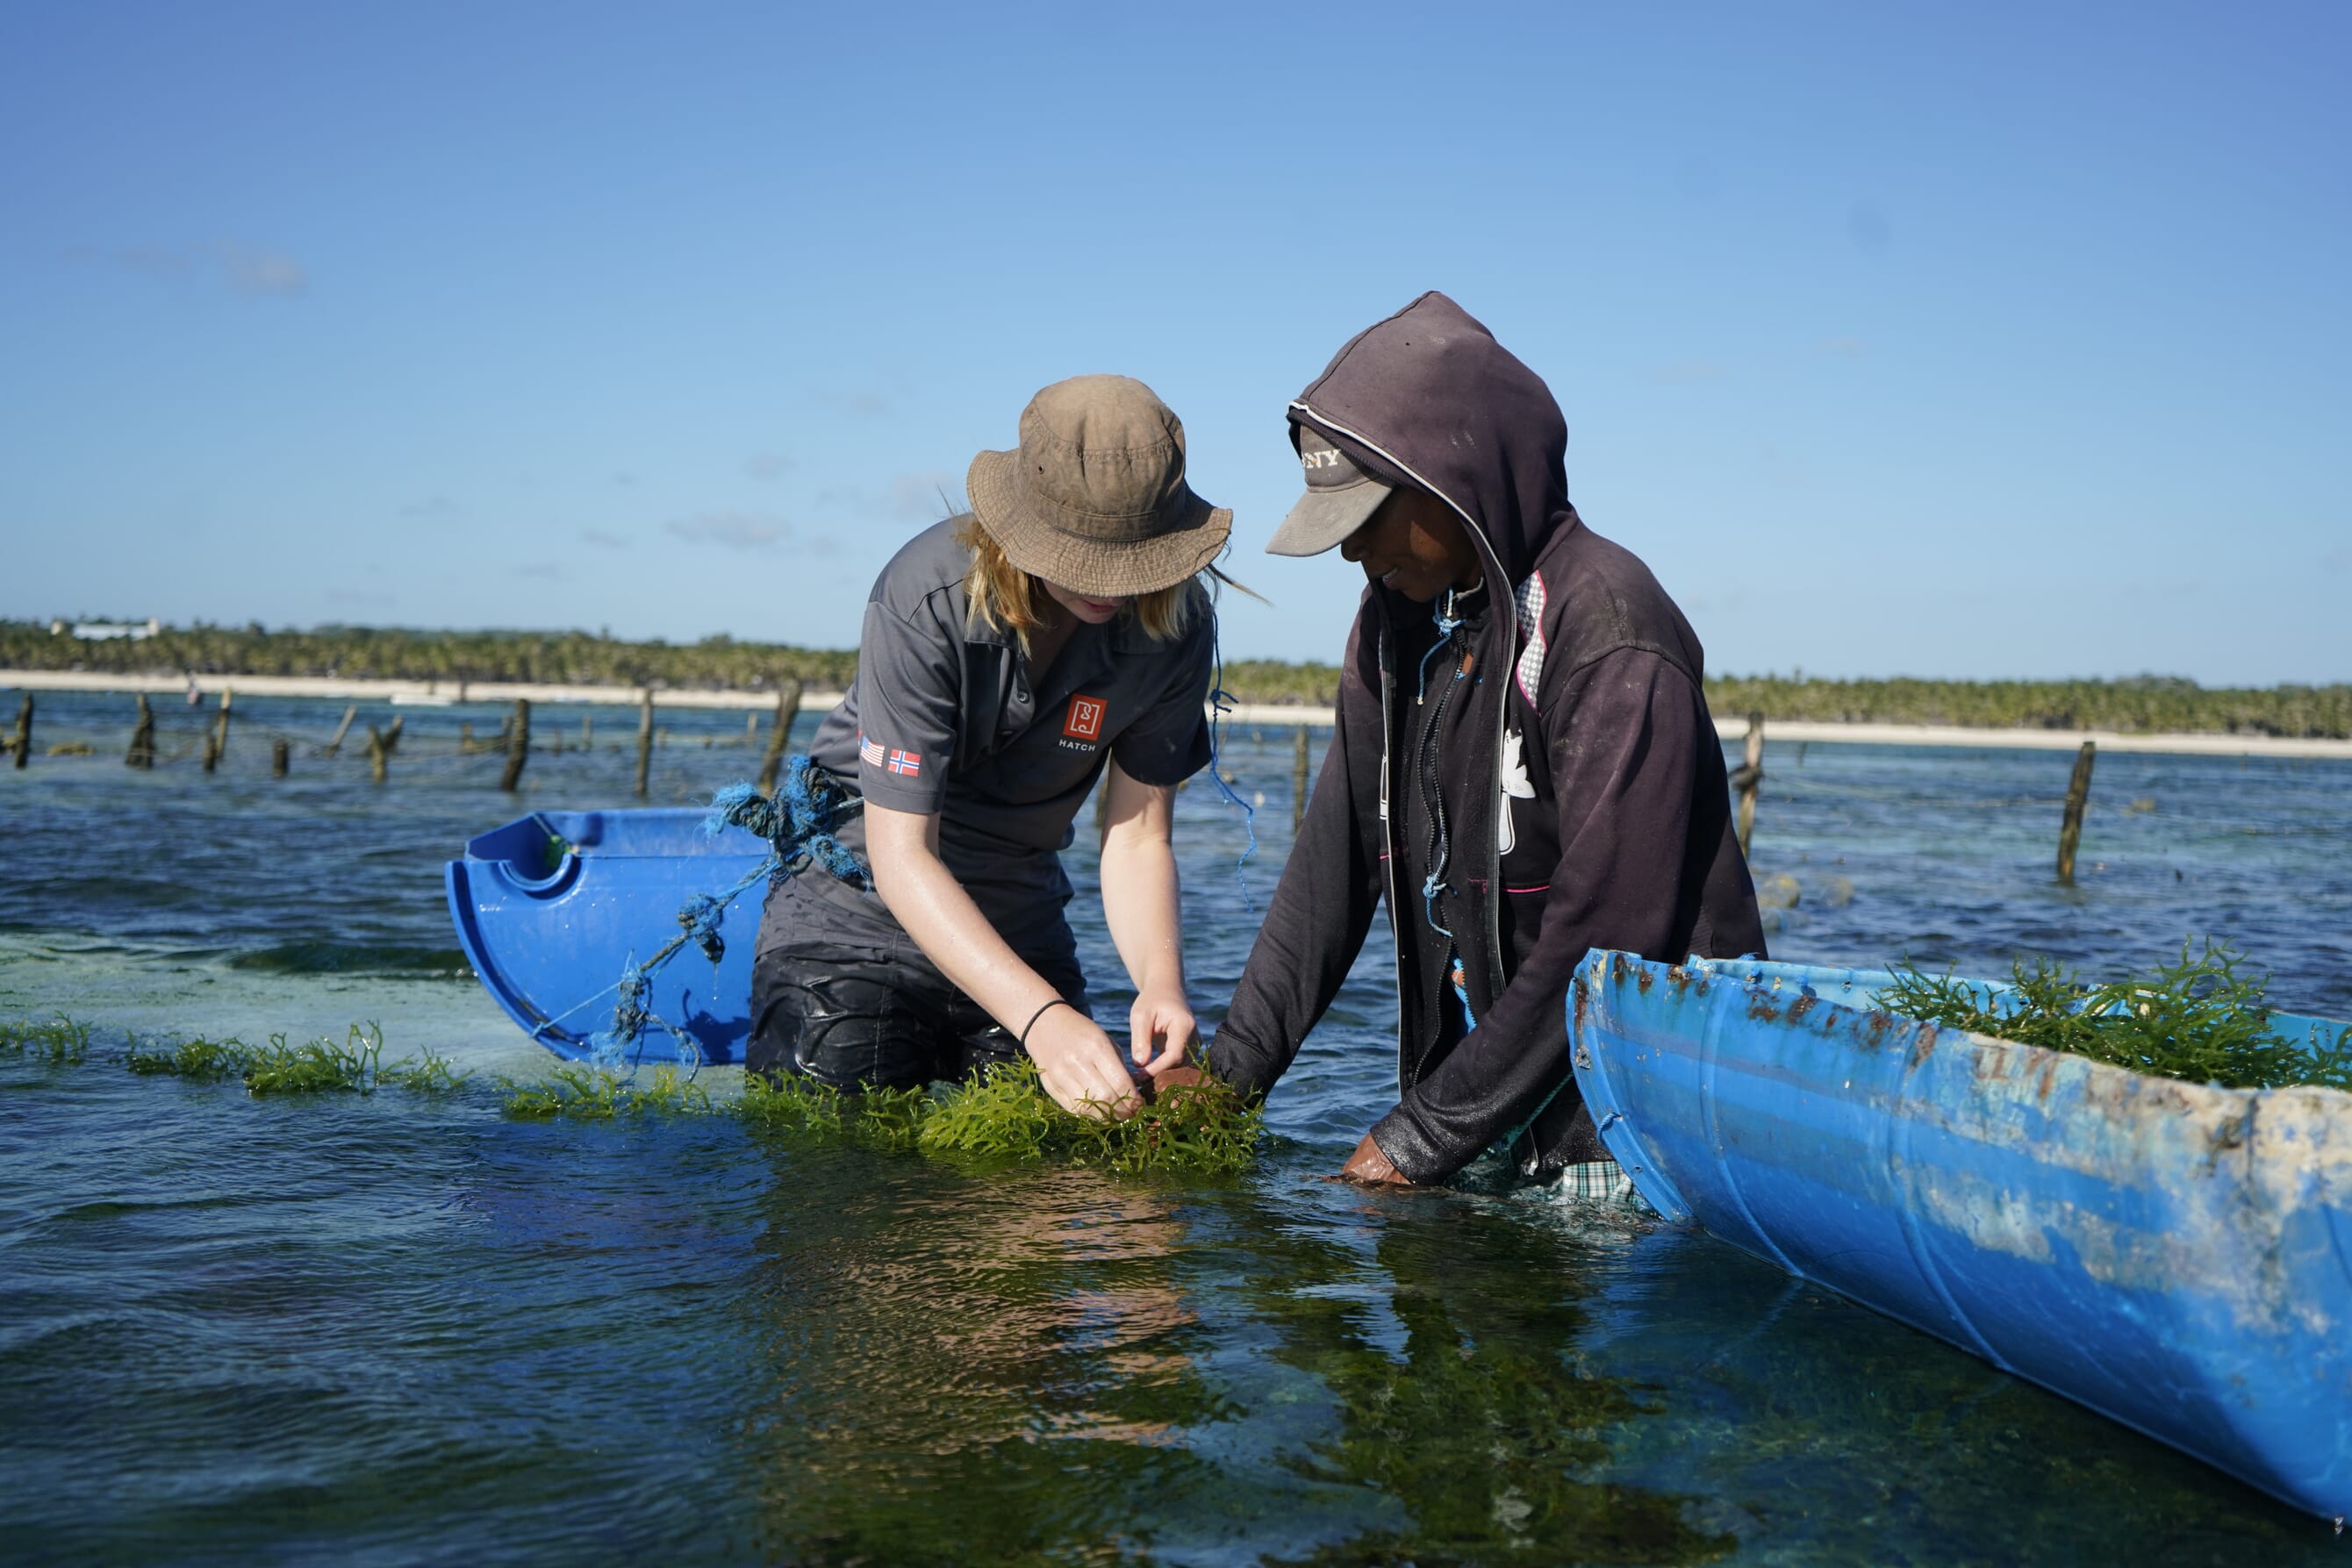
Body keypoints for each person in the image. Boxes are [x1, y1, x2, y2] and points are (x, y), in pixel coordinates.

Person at [1204, 292, 1767, 1187]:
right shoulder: (1393, 624)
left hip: (1642, 1136)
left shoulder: (1607, 626)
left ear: (1451, 482)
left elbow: (1604, 933)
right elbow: (1328, 876)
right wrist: (1220, 1087)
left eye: (1368, 518)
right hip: (1492, 1117)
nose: (1352, 553)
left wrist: (1417, 1138)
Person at [748, 374, 1233, 1119]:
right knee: (836, 1157)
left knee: (1083, 1158)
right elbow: (902, 854)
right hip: (856, 915)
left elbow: (1137, 840)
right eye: (1082, 555)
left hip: (1020, 919)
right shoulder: (923, 597)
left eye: (1129, 558)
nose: (1108, 585)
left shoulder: (1177, 628)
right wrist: (1043, 1022)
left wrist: (1160, 982)